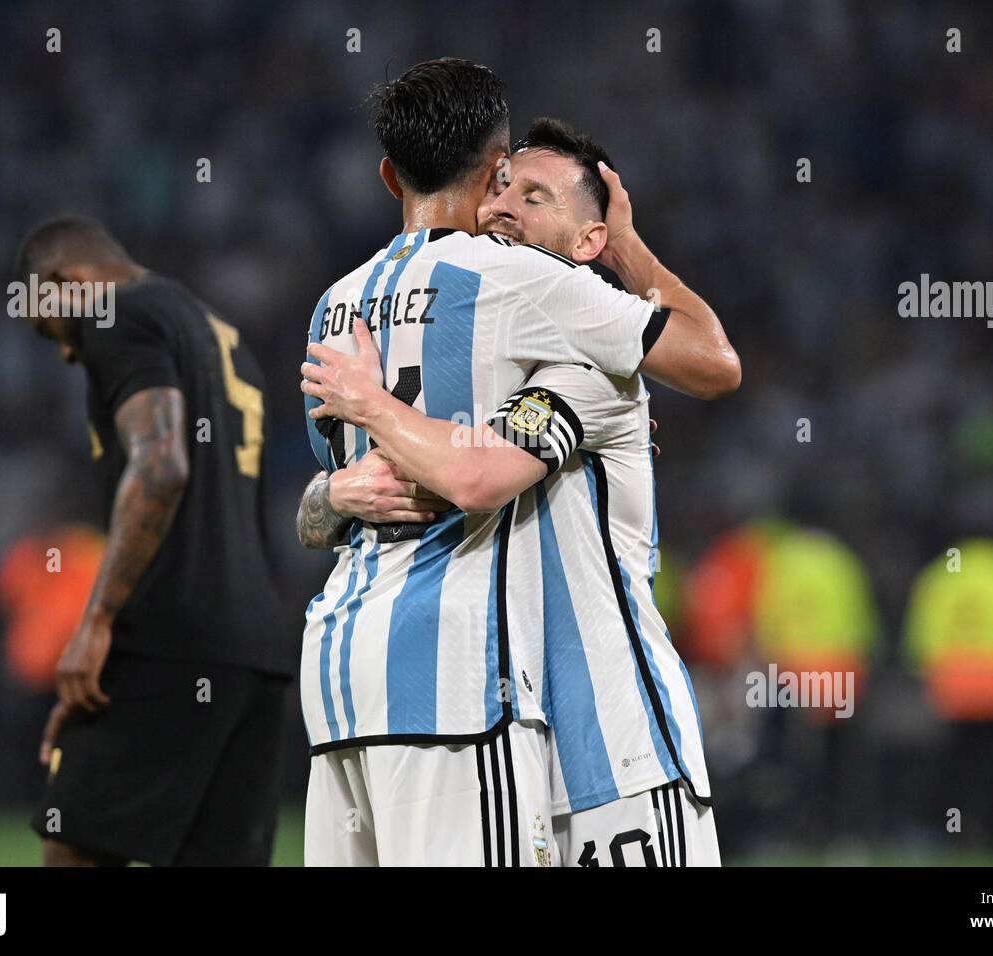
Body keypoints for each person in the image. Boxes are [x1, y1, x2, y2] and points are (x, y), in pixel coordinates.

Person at [296, 58, 738, 866]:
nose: (503, 207)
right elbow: (351, 496)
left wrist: (629, 252)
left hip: (612, 738)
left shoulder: (579, 358)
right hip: (502, 713)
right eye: (504, 189)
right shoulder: (514, 318)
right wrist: (335, 493)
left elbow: (712, 364)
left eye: (532, 198)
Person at [14, 217, 293, 866]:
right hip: (257, 656)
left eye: (46, 326)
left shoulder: (115, 315)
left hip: (167, 643)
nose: (63, 351)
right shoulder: (223, 337)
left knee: (76, 852)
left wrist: (97, 624)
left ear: (64, 283)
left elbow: (161, 465)